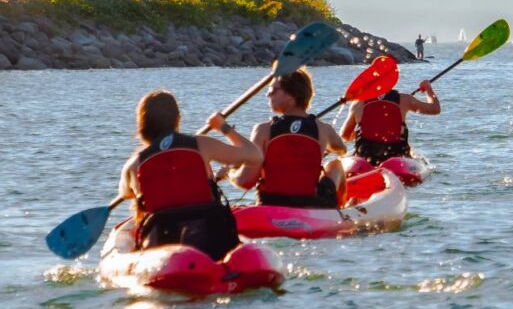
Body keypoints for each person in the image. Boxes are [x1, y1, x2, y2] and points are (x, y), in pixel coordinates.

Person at [117, 91, 261, 260]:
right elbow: (255, 156)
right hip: (211, 240)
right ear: (177, 119)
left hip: (162, 244)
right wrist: (223, 127)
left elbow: (125, 193)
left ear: (142, 124)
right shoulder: (202, 145)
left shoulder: (134, 165)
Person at [235, 68, 348, 207]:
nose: (268, 94)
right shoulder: (323, 129)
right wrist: (318, 151)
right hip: (310, 205)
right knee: (336, 166)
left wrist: (229, 173)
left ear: (291, 95)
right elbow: (342, 150)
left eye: (274, 90)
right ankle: (341, 210)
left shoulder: (263, 130)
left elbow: (245, 181)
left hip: (270, 205)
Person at [341, 76, 440, 164]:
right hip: (397, 154)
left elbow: (345, 135)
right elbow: (435, 109)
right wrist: (428, 88)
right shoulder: (405, 99)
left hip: (366, 154)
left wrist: (364, 132)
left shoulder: (358, 103)